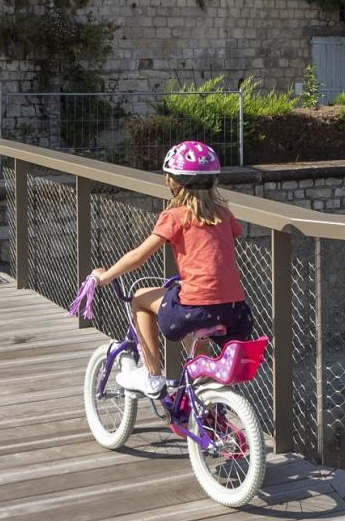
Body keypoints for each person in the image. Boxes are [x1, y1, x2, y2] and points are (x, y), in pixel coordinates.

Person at [91, 141, 252, 397]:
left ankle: (152, 375)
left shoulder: (175, 217)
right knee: (201, 325)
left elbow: (138, 256)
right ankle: (202, 390)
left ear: (172, 183)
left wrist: (104, 277)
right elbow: (222, 245)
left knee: (141, 299)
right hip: (236, 313)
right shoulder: (224, 214)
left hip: (193, 310)